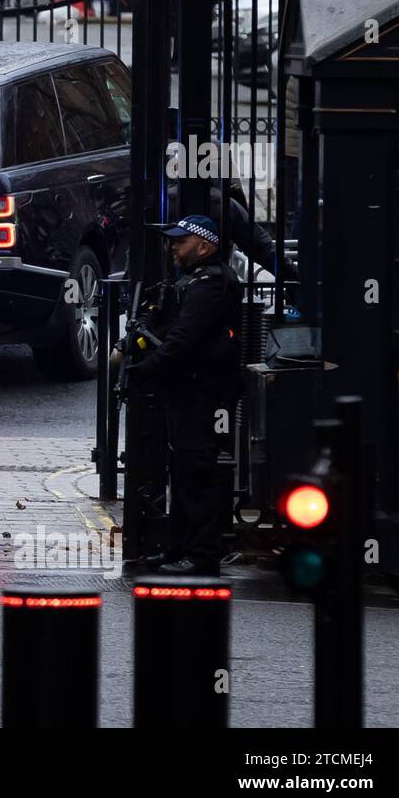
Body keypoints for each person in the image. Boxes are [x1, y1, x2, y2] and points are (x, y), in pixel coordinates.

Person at [127, 215, 243, 577]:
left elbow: (185, 339)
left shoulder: (212, 284)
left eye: (181, 241)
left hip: (204, 392)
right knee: (183, 471)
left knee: (199, 472)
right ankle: (178, 548)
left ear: (205, 246)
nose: (172, 246)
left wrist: (148, 368)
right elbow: (169, 326)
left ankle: (202, 555)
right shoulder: (191, 280)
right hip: (186, 391)